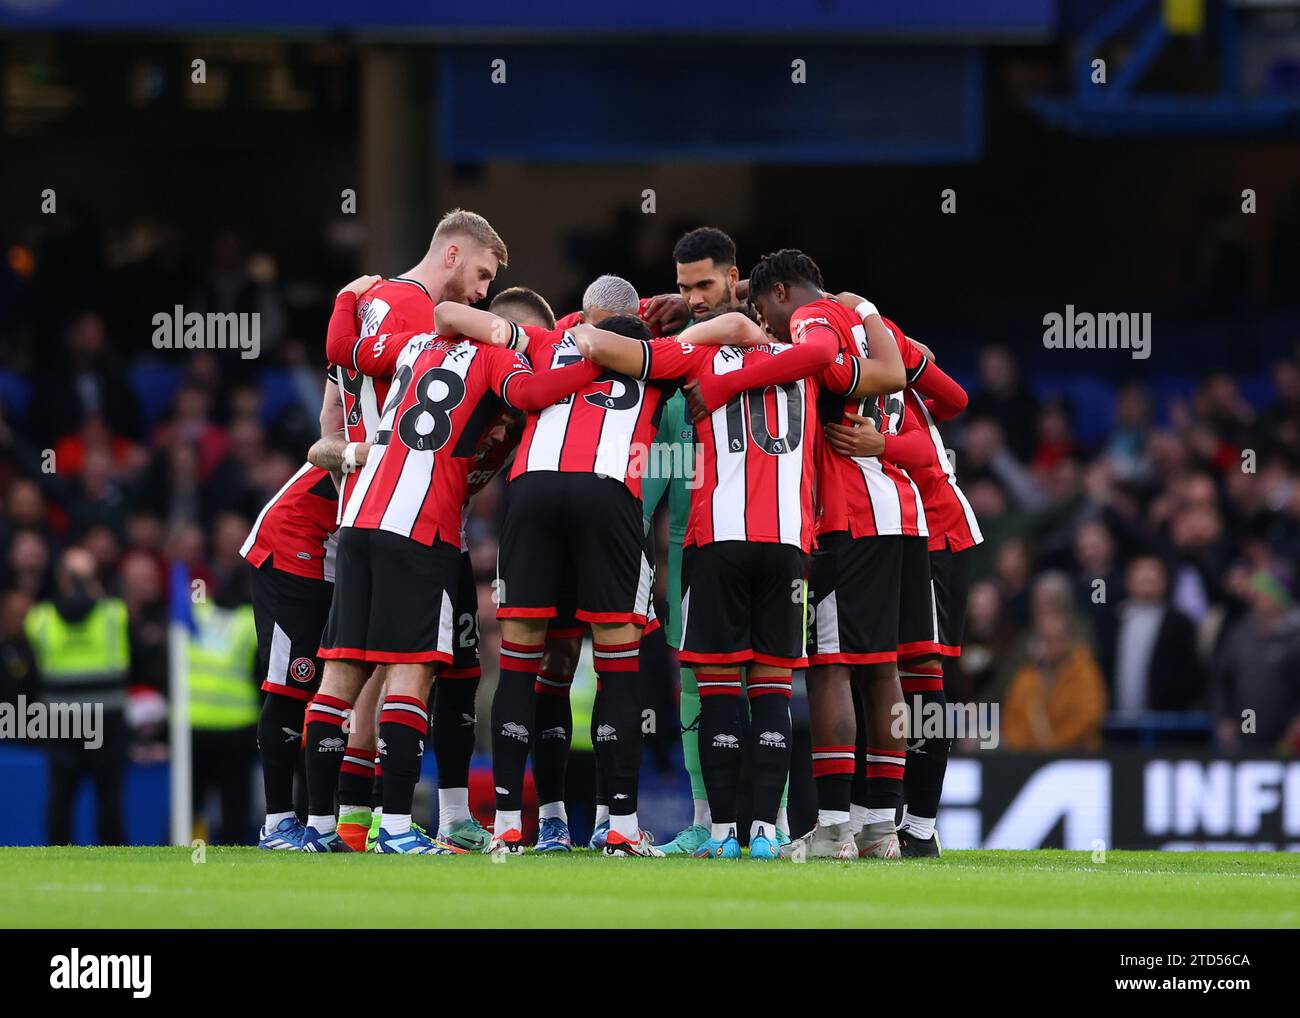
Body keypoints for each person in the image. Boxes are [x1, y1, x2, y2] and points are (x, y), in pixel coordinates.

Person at [299, 274, 598, 854]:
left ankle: (317, 828)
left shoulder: (413, 347)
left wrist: (345, 297)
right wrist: (600, 363)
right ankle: (393, 830)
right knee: (414, 672)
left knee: (341, 674)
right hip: (422, 525)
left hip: (359, 514)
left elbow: (347, 351)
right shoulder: (496, 360)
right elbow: (535, 393)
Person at [573, 303, 834, 857]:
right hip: (787, 547)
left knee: (715, 694)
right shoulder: (807, 363)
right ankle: (766, 831)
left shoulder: (696, 357)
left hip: (716, 542)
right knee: (771, 693)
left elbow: (603, 348)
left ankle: (720, 834)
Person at [820, 314, 981, 856]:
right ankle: (879, 821)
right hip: (891, 532)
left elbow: (947, 417)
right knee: (876, 673)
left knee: (921, 676)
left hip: (937, 530)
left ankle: (920, 827)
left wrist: (881, 440)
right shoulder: (848, 360)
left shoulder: (883, 351)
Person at [25, 547, 130, 845]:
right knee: (108, 802)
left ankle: (58, 865)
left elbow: (31, 674)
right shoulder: (114, 613)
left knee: (61, 799)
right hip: (107, 720)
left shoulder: (39, 617)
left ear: (62, 579)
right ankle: (114, 868)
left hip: (60, 721)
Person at [188, 575, 260, 844]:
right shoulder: (250, 621)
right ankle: (231, 854)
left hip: (193, 723)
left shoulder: (195, 615)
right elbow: (262, 675)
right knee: (235, 805)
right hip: (237, 726)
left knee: (190, 801)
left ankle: (186, 850)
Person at [1002, 611, 1108, 751]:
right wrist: (1025, 747)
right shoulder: (1027, 677)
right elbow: (1012, 718)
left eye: (1054, 639)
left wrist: (1054, 745)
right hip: (1028, 756)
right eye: (1043, 639)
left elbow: (1088, 717)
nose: (1048, 646)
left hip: (1077, 755)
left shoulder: (1084, 672)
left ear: (1068, 640)